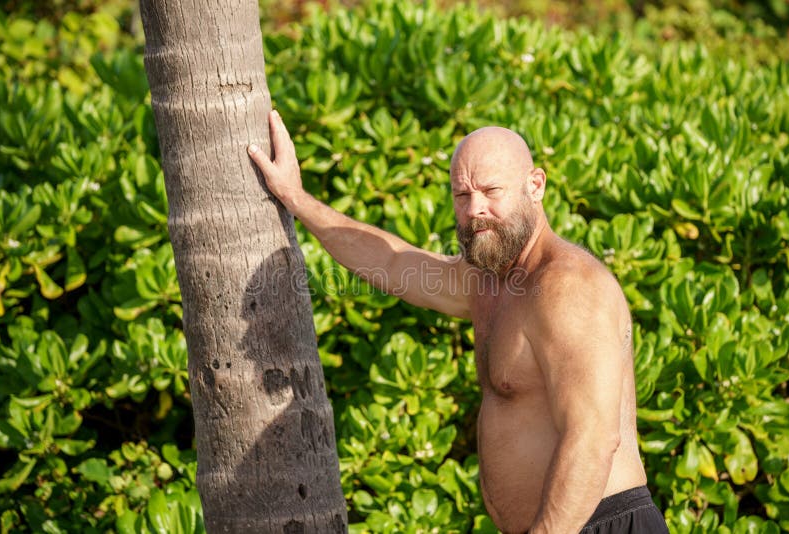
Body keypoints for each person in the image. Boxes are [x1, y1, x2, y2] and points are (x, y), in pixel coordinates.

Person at [247, 110, 669, 534]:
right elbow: (393, 262)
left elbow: (593, 440)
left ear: (535, 185)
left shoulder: (568, 289)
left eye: (491, 191)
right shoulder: (487, 280)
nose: (475, 210)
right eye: (462, 195)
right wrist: (296, 197)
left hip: (600, 523)